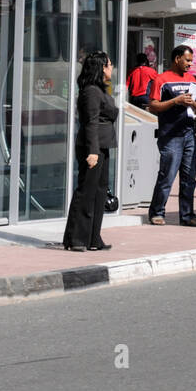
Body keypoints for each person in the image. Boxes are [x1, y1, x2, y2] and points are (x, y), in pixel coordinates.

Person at [61, 51, 118, 251]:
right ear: (101, 68)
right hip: (92, 147)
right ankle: (76, 238)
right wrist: (93, 151)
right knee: (86, 192)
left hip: (103, 146)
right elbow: (91, 123)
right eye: (109, 65)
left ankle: (94, 238)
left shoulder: (101, 90)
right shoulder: (91, 91)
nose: (112, 68)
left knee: (100, 192)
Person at [147, 45, 196, 227]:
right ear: (177, 59)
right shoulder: (162, 80)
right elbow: (153, 105)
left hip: (189, 133)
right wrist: (176, 101)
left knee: (189, 178)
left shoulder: (192, 79)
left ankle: (187, 215)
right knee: (167, 175)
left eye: (191, 60)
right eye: (187, 60)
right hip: (171, 135)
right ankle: (157, 212)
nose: (190, 64)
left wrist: (193, 104)